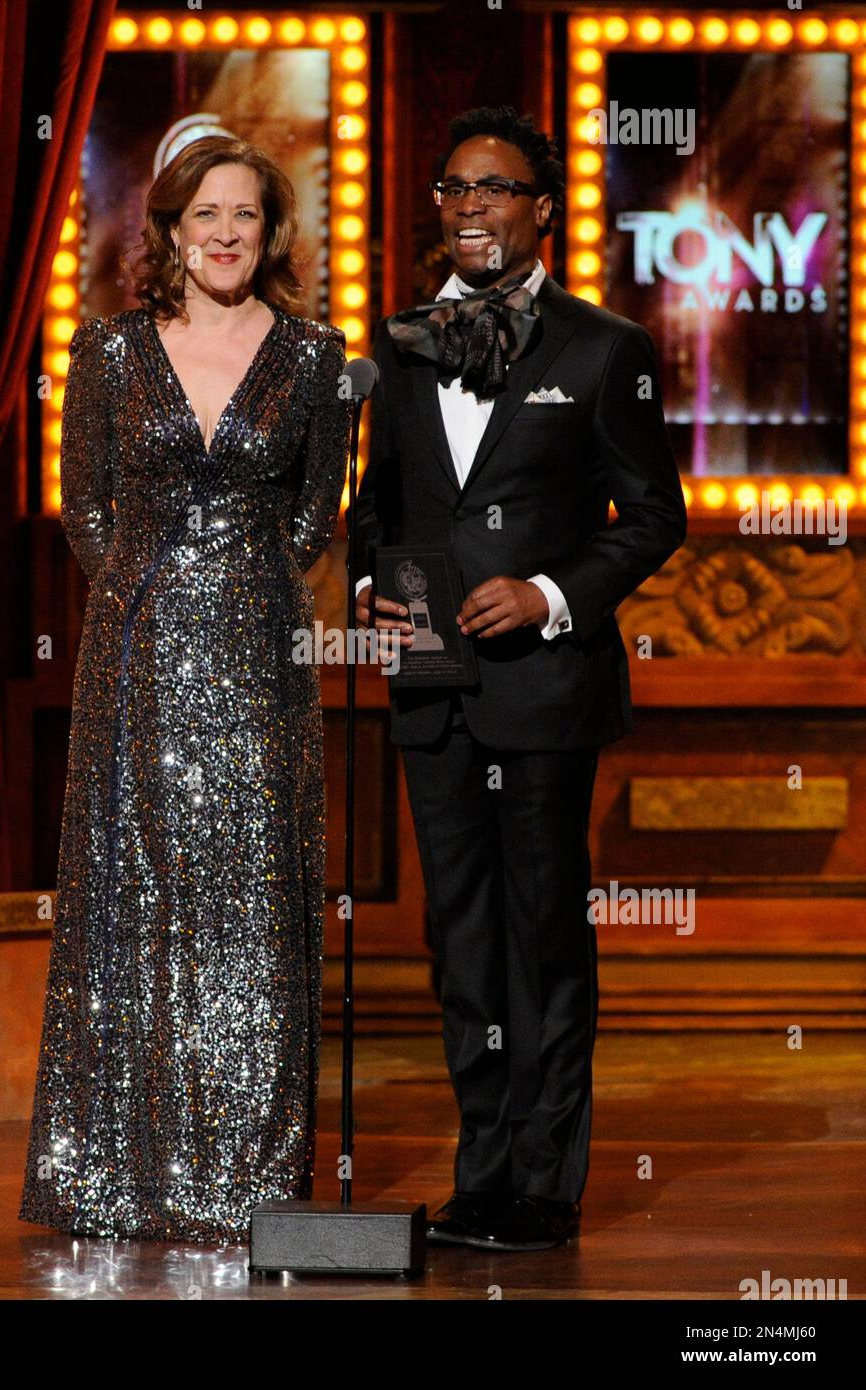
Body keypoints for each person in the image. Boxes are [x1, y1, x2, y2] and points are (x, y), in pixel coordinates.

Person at [351, 107, 686, 1251]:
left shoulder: (603, 349)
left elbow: (651, 519)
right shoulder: (396, 349)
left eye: (494, 189)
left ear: (540, 209)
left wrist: (546, 596)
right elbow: (374, 511)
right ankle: (480, 1171)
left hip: (543, 692)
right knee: (459, 941)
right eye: (453, 188)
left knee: (543, 936)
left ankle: (544, 1183)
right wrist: (367, 590)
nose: (470, 207)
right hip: (431, 690)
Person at [19, 136, 350, 1243]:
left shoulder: (314, 358)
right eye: (203, 213)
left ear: (270, 231)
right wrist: (147, 602)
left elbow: (314, 516)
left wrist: (234, 591)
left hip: (258, 658)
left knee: (248, 904)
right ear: (166, 227)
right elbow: (84, 507)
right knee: (136, 899)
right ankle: (115, 1176)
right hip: (136, 657)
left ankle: (245, 1183)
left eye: (244, 216)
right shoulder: (109, 353)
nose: (223, 233)